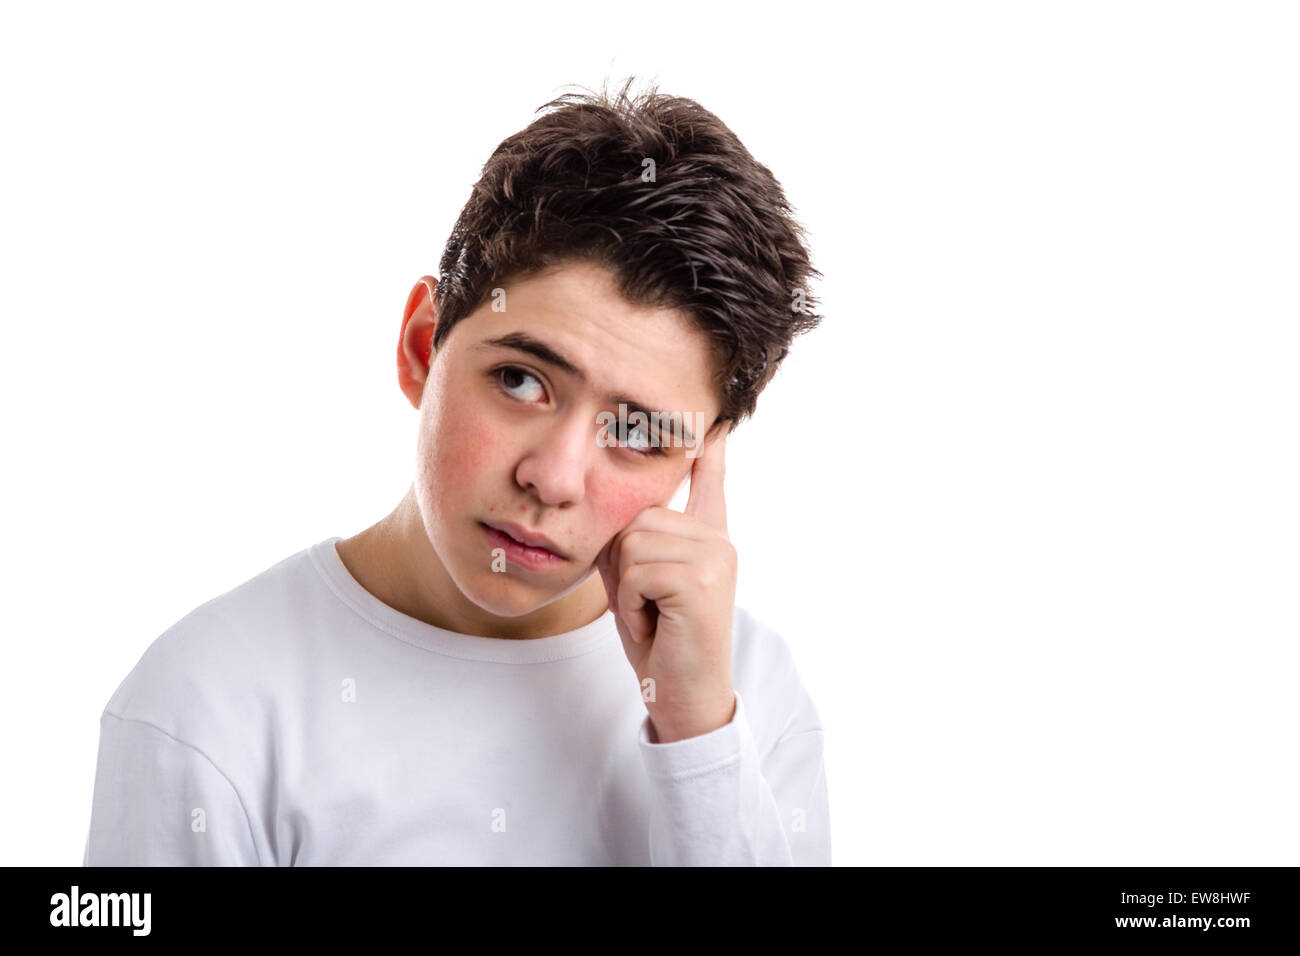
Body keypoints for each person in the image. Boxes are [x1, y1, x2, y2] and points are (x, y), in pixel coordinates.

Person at [83, 77, 830, 866]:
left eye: (639, 431)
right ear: (420, 345)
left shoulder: (750, 695)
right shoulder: (206, 702)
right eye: (521, 380)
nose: (554, 477)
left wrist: (698, 736)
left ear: (701, 454)